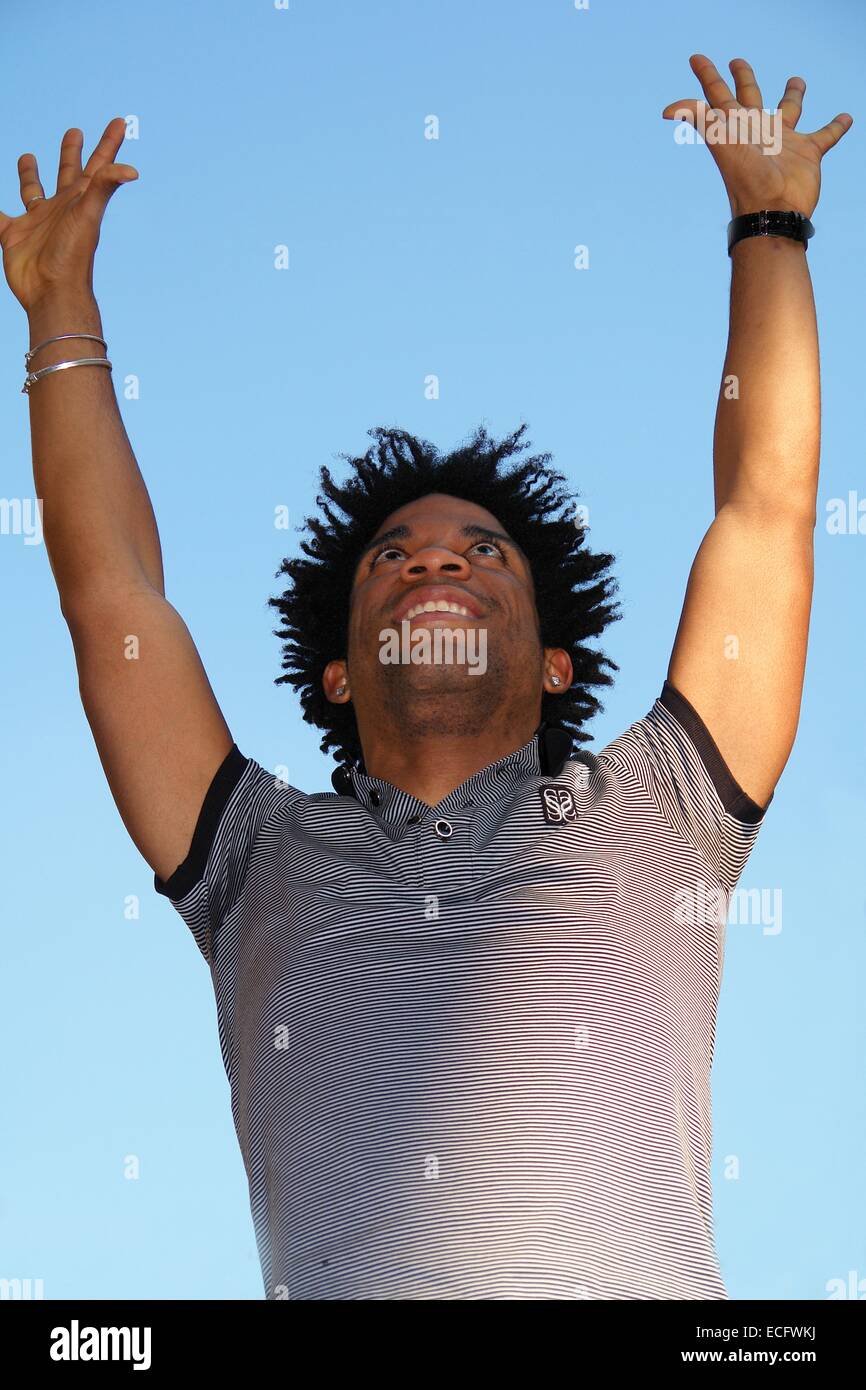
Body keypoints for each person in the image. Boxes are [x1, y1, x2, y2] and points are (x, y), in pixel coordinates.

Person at [2, 55, 851, 1299]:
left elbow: (768, 508)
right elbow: (112, 598)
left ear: (555, 658)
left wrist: (769, 225)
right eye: (391, 556)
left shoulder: (664, 803)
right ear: (339, 673)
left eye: (478, 552)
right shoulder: (251, 857)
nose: (429, 563)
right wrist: (57, 314)